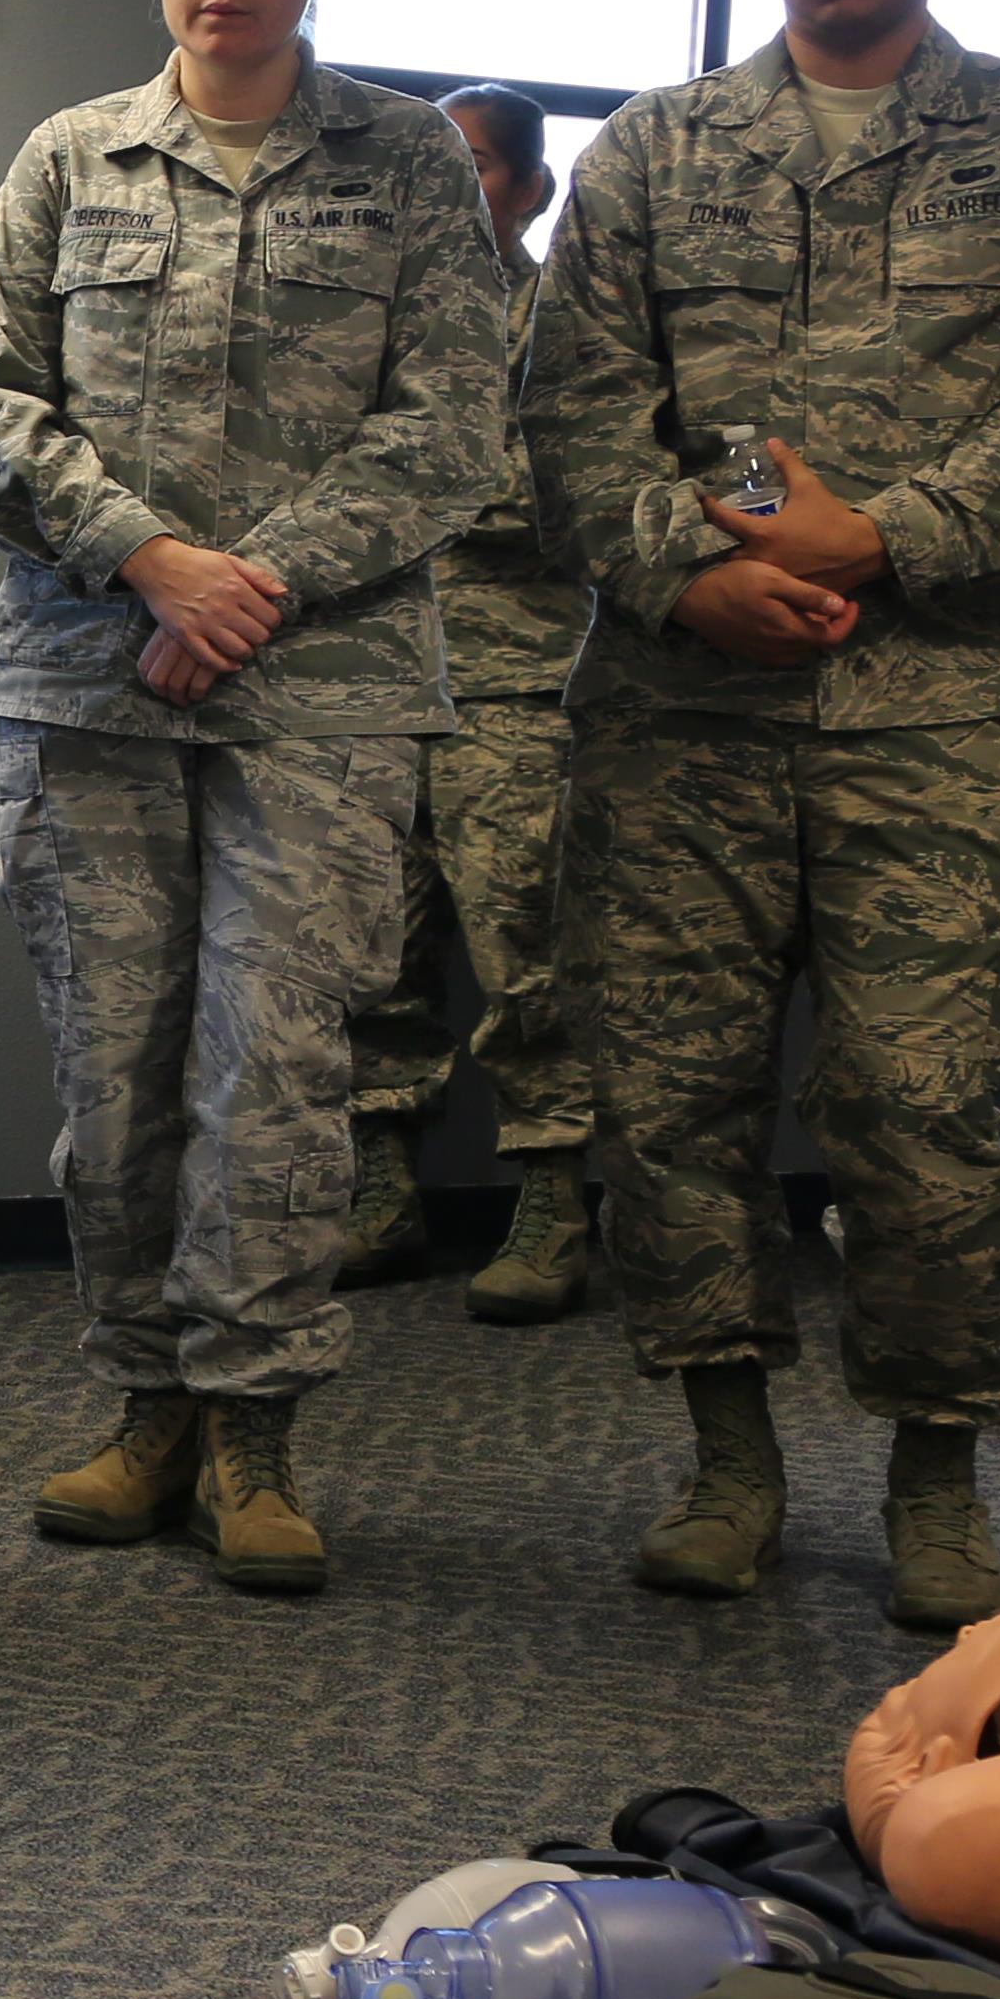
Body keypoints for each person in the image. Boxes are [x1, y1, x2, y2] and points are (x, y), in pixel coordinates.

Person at [525, 0, 1000, 1631]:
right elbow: (571, 413)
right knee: (673, 1106)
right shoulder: (654, 152)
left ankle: (938, 1478)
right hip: (680, 716)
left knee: (918, 1108)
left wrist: (878, 535)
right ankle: (728, 1462)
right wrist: (696, 569)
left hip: (934, 713)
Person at [0, 0, 507, 1595]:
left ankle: (256, 1428)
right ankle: (146, 1412)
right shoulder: (69, 159)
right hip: (93, 684)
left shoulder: (407, 163)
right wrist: (148, 562)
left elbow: (455, 423)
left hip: (318, 700)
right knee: (113, 1077)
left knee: (275, 1075)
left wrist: (249, 585)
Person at [341, 78, 601, 1324]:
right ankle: (381, 1192)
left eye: (478, 166)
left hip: (517, 689)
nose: (448, 188)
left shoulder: (574, 327)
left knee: (526, 958)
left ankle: (554, 1202)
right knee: (370, 955)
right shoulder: (368, 328)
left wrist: (395, 497)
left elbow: (570, 497)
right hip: (370, 683)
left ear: (532, 189)